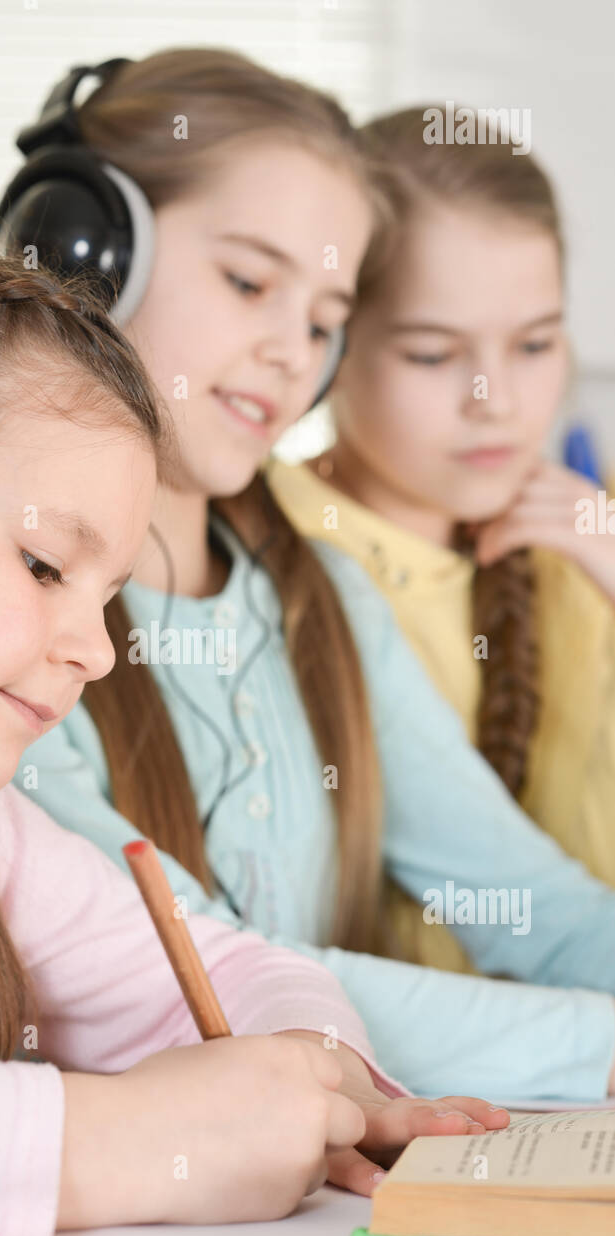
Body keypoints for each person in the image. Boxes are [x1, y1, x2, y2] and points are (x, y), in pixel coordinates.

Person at [0, 223, 508, 1236]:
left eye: (110, 597)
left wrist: (302, 1068)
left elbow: (226, 969)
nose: (97, 654)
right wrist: (130, 1138)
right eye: (46, 566)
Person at [5, 52, 615, 1102]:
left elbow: (534, 907)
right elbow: (216, 979)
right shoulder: (1, 617)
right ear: (82, 249)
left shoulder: (325, 601)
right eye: (250, 281)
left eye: (325, 319)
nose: (292, 350)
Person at [267, 106, 615, 967]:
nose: (493, 399)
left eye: (534, 344)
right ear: (330, 342)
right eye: (432, 355)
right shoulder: (258, 547)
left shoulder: (580, 541)